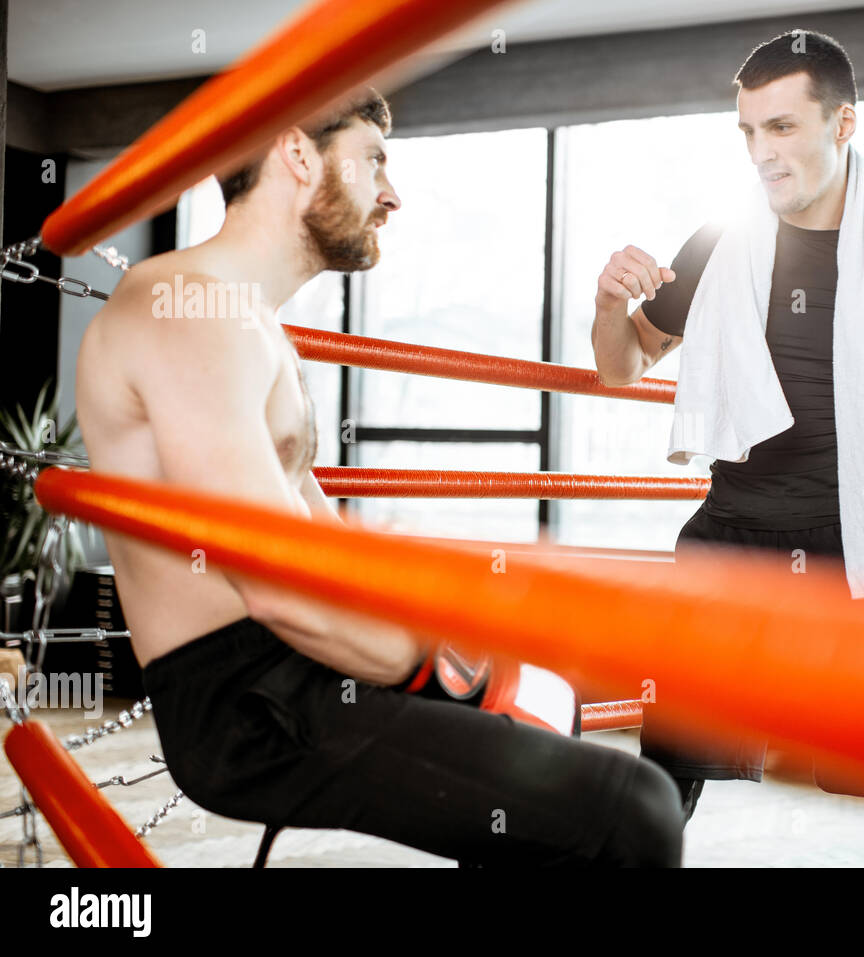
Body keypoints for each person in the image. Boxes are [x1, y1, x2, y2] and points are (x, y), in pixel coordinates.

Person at [75, 89, 683, 867]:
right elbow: (274, 585)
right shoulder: (188, 308)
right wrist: (441, 664)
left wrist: (449, 614)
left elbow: (316, 538)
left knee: (545, 707)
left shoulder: (251, 324)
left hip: (292, 660)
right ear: (298, 154)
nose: (391, 195)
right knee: (638, 808)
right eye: (372, 162)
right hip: (247, 704)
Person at [590, 31, 864, 867]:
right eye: (748, 131)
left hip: (857, 554)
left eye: (781, 127)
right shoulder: (718, 245)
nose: (761, 152)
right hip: (730, 541)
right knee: (663, 785)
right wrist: (608, 302)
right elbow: (623, 363)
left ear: (843, 123)